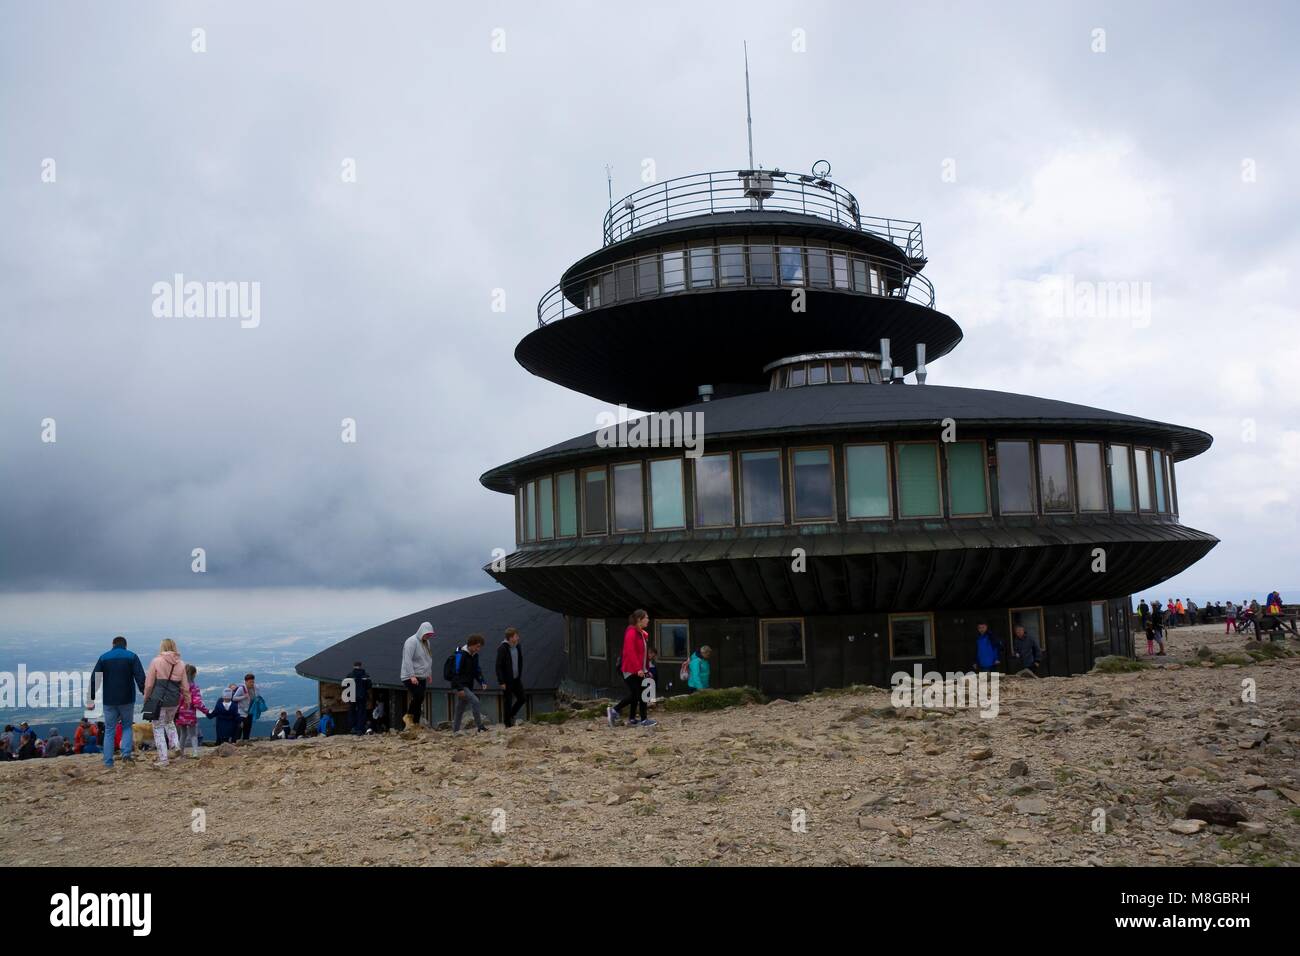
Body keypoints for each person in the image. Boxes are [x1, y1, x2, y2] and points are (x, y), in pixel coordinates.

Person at [87, 635, 147, 768]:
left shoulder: (103, 657)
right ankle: (126, 755)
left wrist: (90, 699)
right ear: (125, 645)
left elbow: (94, 679)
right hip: (127, 699)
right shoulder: (132, 656)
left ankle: (108, 761)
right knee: (126, 726)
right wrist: (144, 692)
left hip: (109, 700)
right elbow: (140, 677)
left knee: (109, 730)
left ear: (112, 644)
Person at [143, 639, 190, 767]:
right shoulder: (180, 663)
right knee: (169, 722)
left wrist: (146, 698)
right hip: (174, 700)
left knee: (158, 728)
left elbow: (149, 684)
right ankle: (175, 745)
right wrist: (187, 700)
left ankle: (163, 759)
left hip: (158, 699)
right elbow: (185, 686)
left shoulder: (156, 661)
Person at [608, 610, 656, 728]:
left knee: (641, 693)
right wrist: (638, 669)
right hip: (630, 669)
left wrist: (646, 669)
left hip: (641, 669)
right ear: (639, 619)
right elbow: (630, 652)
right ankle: (614, 710)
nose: (648, 620)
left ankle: (635, 719)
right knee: (637, 694)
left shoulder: (642, 634)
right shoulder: (631, 632)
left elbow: (643, 654)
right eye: (646, 618)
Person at [448, 634, 489, 734]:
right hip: (460, 686)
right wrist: (459, 689)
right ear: (471, 644)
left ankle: (455, 731)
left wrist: (482, 681)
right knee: (475, 701)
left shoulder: (474, 656)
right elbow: (455, 673)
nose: (479, 649)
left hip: (467, 686)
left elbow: (477, 670)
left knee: (460, 708)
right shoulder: (460, 655)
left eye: (480, 647)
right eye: (477, 646)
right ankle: (480, 726)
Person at [400, 622, 435, 730]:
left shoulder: (426, 643)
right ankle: (408, 716)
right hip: (409, 675)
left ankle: (415, 723)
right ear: (421, 631)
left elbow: (428, 659)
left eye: (430, 634)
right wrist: (412, 675)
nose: (428, 636)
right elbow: (407, 659)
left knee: (420, 698)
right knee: (418, 695)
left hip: (422, 675)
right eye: (427, 634)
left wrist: (429, 673)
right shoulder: (411, 641)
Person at [175, 664, 211, 758]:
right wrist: (206, 711)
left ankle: (181, 753)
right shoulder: (194, 687)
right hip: (190, 714)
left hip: (179, 714)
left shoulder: (178, 687)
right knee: (193, 734)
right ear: (193, 674)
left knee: (183, 734)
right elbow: (197, 703)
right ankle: (195, 752)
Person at [495, 627, 526, 727]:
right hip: (507, 680)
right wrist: (501, 681)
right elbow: (498, 666)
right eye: (516, 636)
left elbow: (520, 661)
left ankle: (511, 715)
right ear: (510, 637)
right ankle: (507, 724)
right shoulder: (503, 648)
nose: (518, 638)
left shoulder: (518, 646)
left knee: (522, 698)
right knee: (507, 701)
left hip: (516, 678)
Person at [231, 673, 263, 741]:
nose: (252, 683)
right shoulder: (241, 689)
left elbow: (257, 695)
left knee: (247, 729)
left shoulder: (255, 687)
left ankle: (246, 742)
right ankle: (236, 743)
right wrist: (243, 697)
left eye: (253, 682)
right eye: (250, 682)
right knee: (239, 729)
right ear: (245, 682)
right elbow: (234, 698)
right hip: (242, 713)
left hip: (251, 711)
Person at [347, 660, 371, 735]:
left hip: (352, 696)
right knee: (361, 712)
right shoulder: (365, 675)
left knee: (352, 711)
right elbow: (369, 686)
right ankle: (360, 729)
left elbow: (346, 686)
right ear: (361, 666)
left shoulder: (350, 675)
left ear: (353, 666)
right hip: (362, 696)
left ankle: (352, 728)